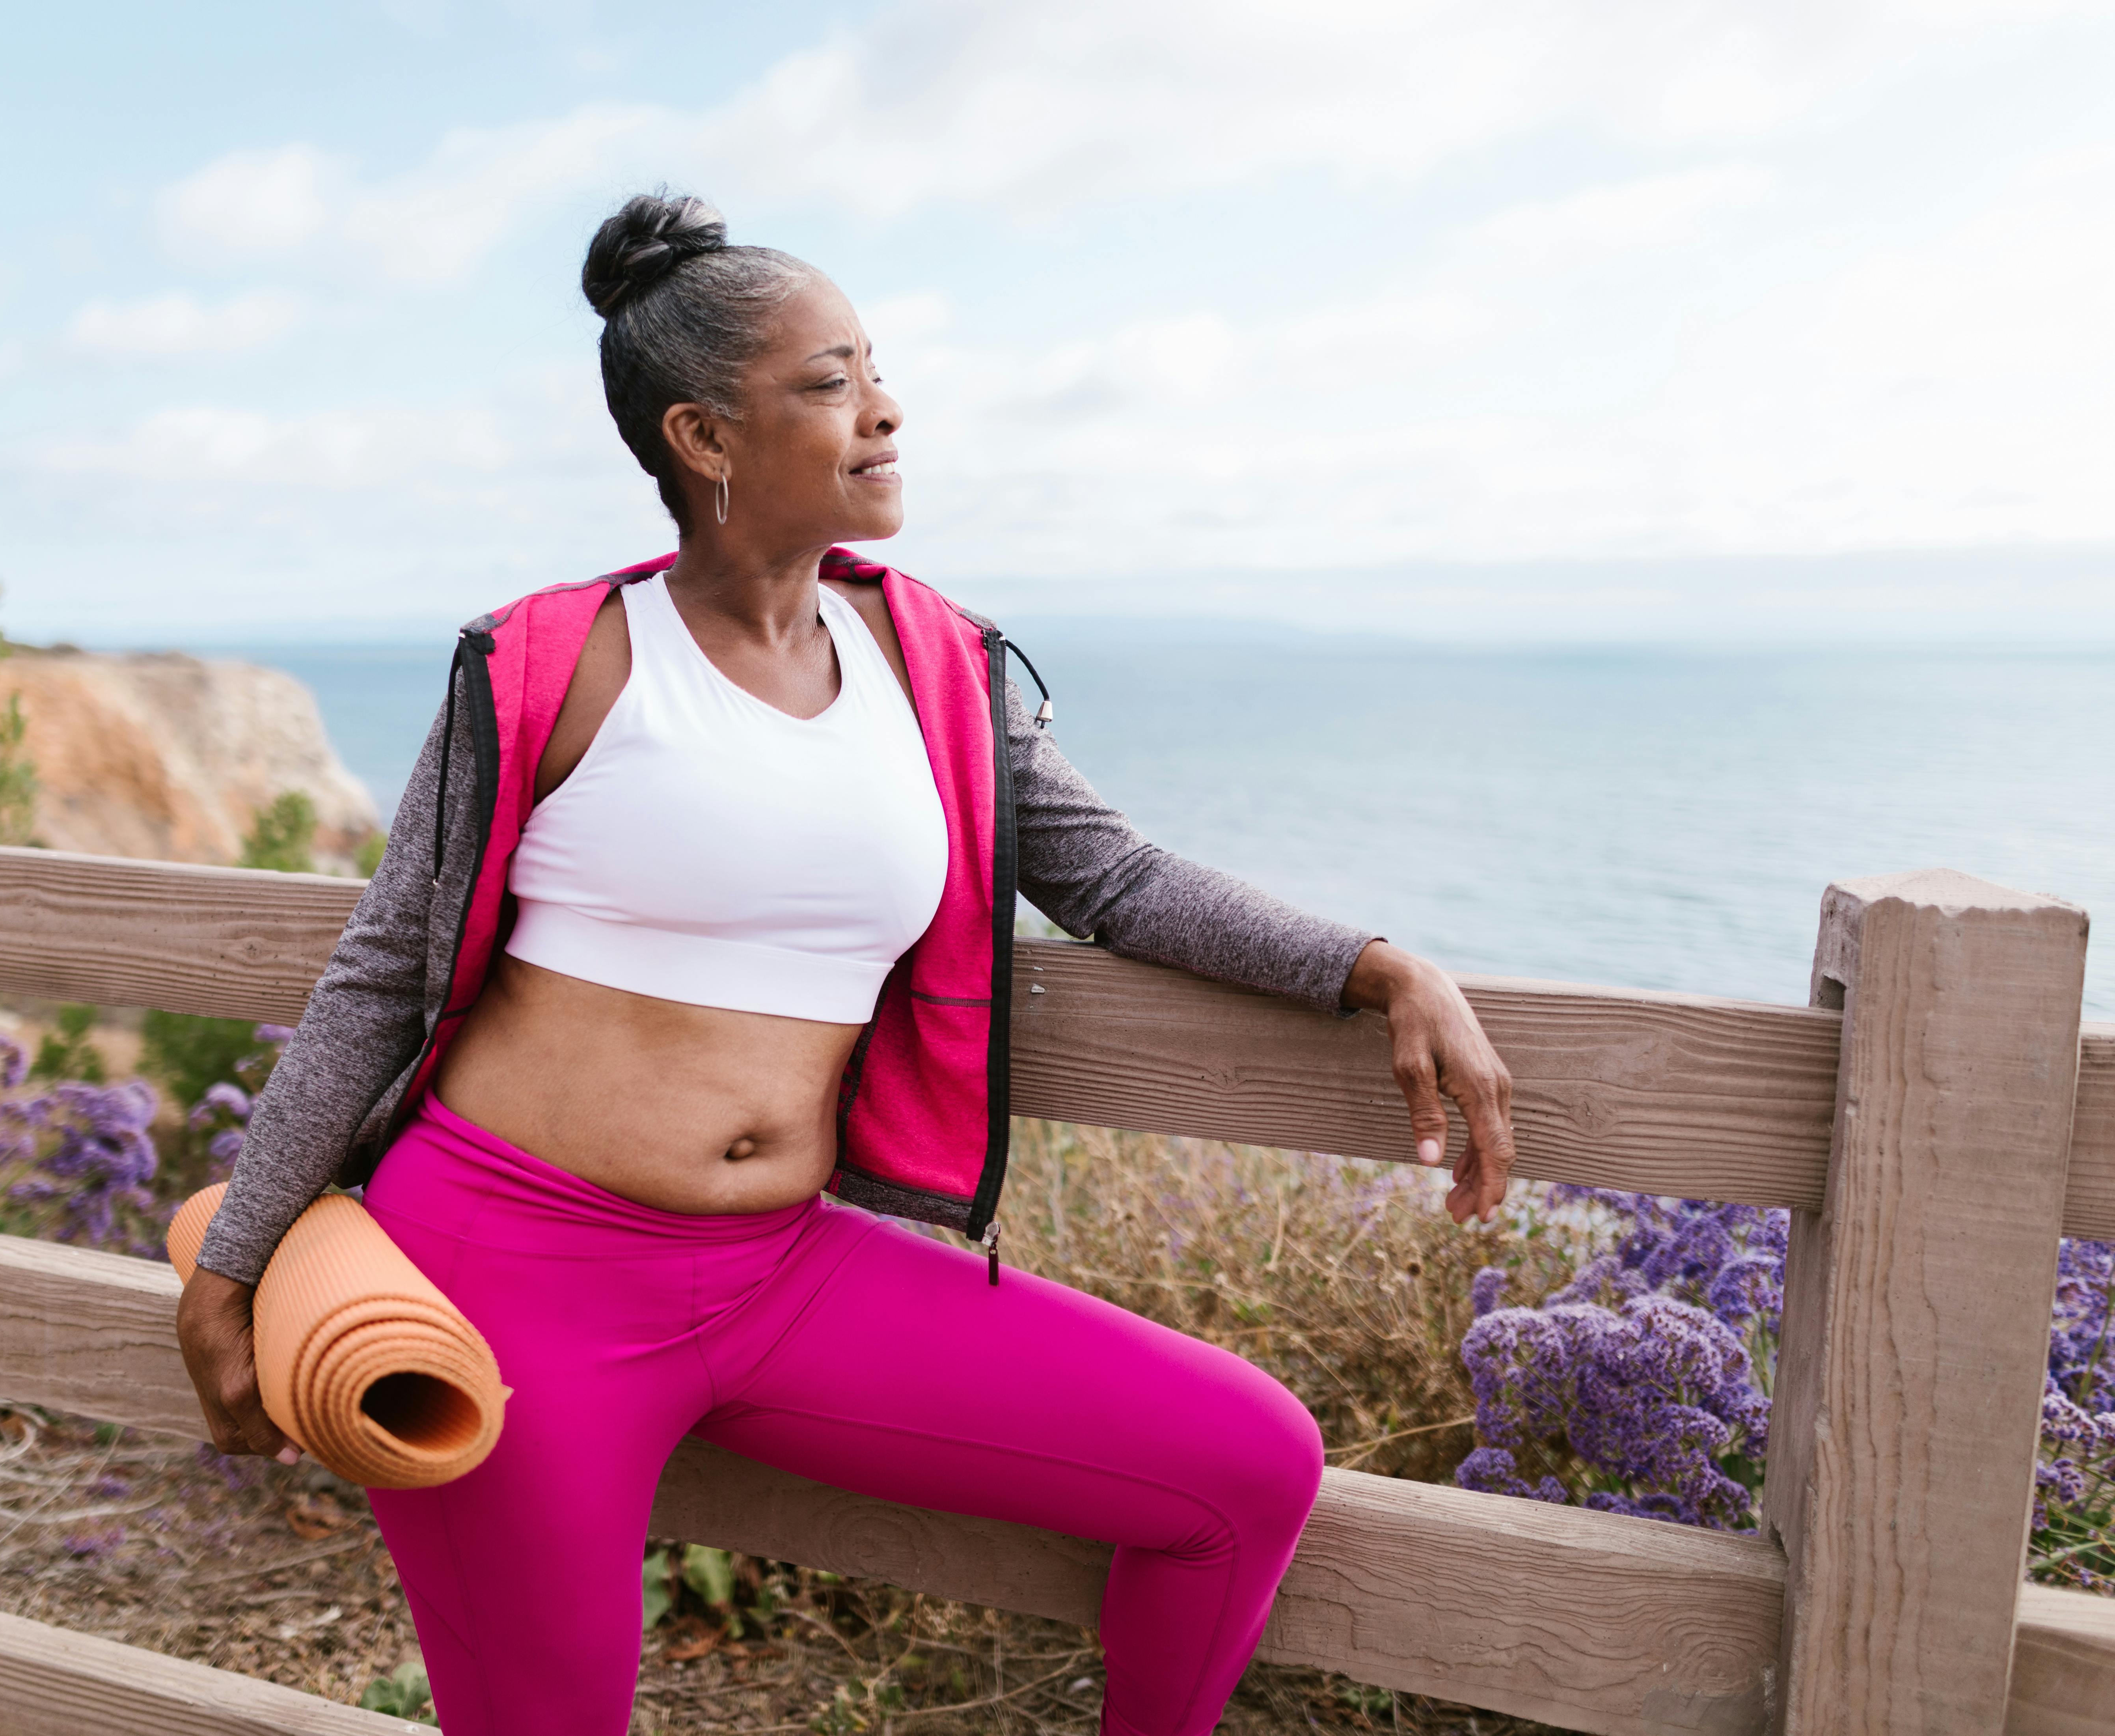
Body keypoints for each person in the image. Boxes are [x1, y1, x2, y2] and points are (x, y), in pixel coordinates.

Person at [176, 190, 1517, 1736]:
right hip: (512, 1276)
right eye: (825, 382)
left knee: (1240, 1468)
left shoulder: (935, 668)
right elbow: (373, 977)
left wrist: (1371, 966)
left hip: (784, 1269)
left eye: (872, 368)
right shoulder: (557, 662)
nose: (883, 409)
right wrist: (233, 1271)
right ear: (703, 435)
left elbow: (1116, 880)